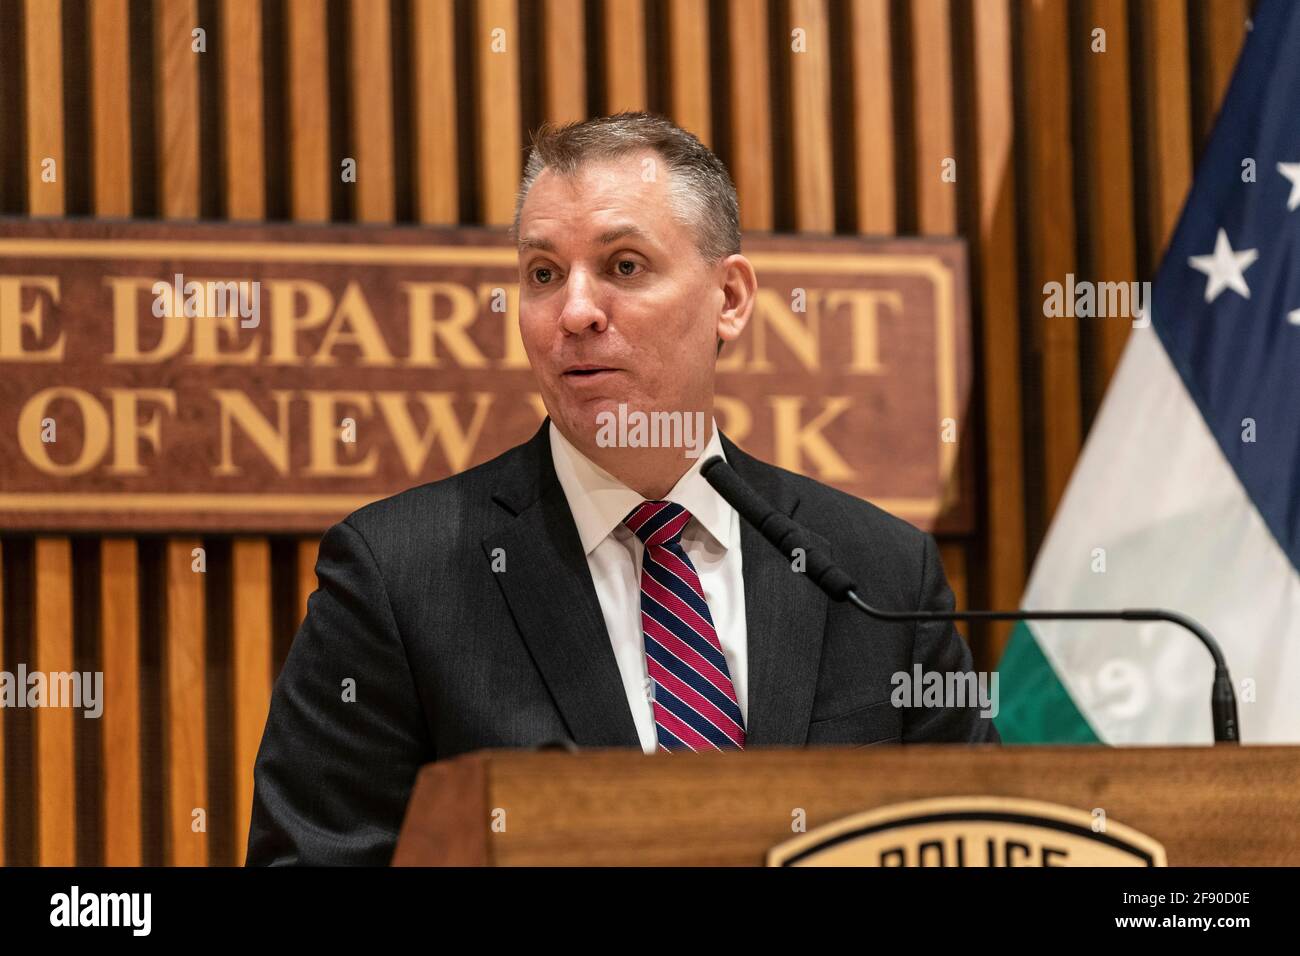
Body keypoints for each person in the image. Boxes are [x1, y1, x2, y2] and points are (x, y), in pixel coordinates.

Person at [246, 111, 998, 866]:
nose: (574, 312)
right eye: (543, 275)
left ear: (729, 300)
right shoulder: (399, 577)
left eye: (624, 266)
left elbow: (980, 846)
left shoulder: (880, 574)